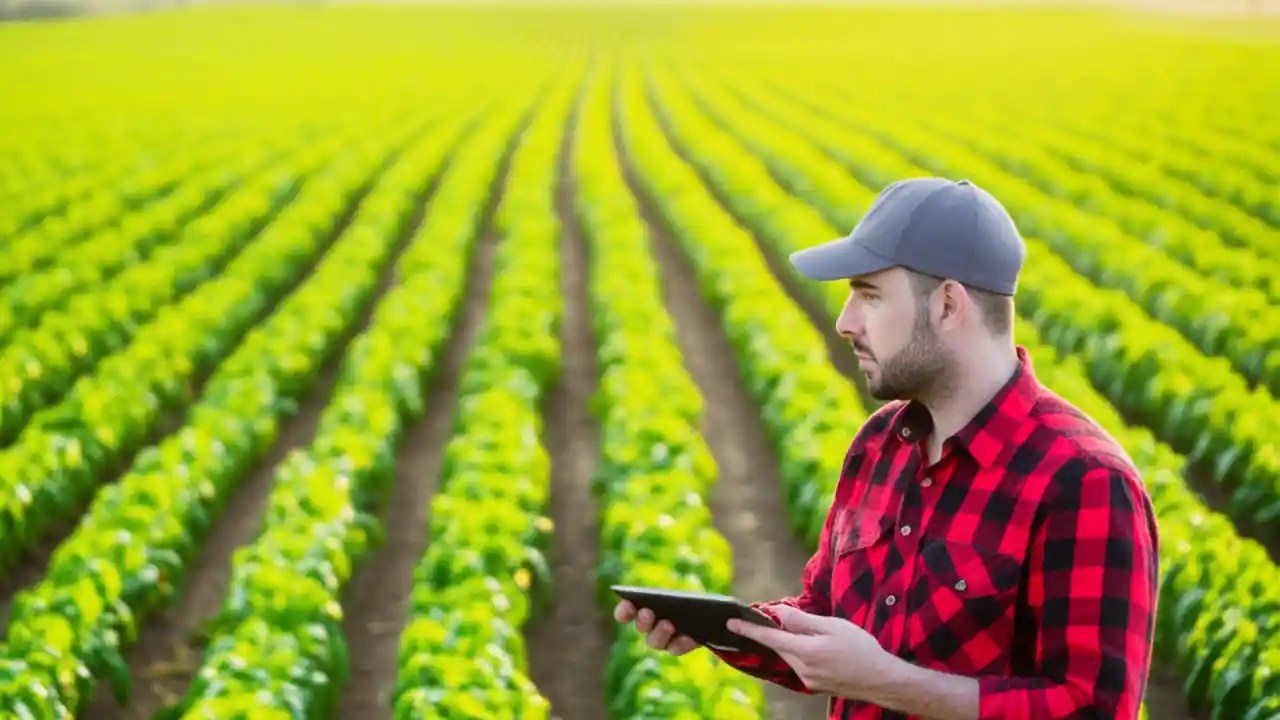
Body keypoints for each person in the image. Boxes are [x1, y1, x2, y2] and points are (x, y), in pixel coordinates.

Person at [614, 177, 1160, 719]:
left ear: (948, 305)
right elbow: (825, 613)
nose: (844, 322)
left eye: (869, 295)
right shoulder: (882, 443)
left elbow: (1089, 708)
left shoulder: (1083, 480)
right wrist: (726, 628)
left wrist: (888, 683)